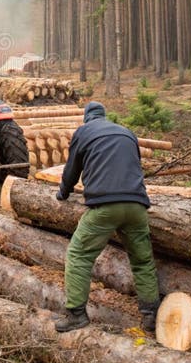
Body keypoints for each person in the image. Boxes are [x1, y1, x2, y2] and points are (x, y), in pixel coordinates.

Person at [53, 100, 160, 333]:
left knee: (79, 255)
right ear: (104, 116)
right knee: (142, 261)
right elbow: (133, 167)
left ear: (86, 118)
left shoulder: (83, 132)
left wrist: (63, 192)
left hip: (105, 206)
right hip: (137, 205)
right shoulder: (127, 133)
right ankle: (151, 316)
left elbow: (72, 169)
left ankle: (76, 314)